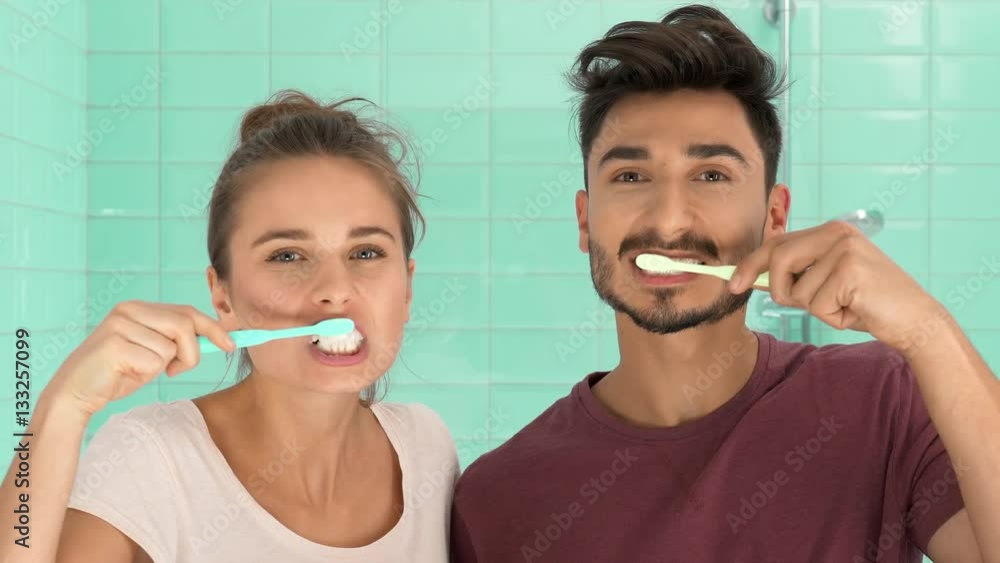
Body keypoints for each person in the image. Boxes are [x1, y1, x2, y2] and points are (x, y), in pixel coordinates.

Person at [450, 6, 998, 563]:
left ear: (774, 217)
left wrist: (928, 328)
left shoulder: (883, 400)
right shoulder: (497, 498)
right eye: (630, 176)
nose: (669, 222)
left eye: (711, 175)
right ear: (586, 221)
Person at [0, 90, 459, 563]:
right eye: (287, 256)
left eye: (366, 252)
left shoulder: (426, 447)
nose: (335, 289)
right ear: (223, 297)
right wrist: (63, 408)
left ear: (407, 288)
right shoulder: (151, 460)